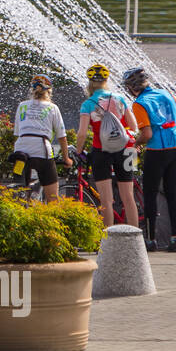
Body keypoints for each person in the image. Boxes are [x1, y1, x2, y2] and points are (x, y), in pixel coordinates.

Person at [123, 67, 176, 252]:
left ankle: (151, 240)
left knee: (150, 194)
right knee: (172, 193)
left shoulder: (139, 103)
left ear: (130, 88)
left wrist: (136, 143)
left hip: (156, 151)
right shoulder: (166, 93)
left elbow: (147, 133)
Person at [75, 63, 140, 228]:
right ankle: (134, 238)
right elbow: (133, 127)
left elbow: (82, 133)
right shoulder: (120, 99)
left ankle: (108, 239)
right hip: (128, 149)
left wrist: (78, 150)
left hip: (101, 150)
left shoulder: (88, 104)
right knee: (129, 197)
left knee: (106, 200)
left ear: (89, 82)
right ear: (106, 80)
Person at [11, 76, 72, 201]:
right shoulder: (52, 107)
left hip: (20, 150)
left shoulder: (22, 106)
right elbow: (62, 137)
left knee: (21, 189)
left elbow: (17, 133)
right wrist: (66, 158)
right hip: (41, 149)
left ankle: (23, 201)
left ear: (32, 90)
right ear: (49, 91)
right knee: (52, 197)